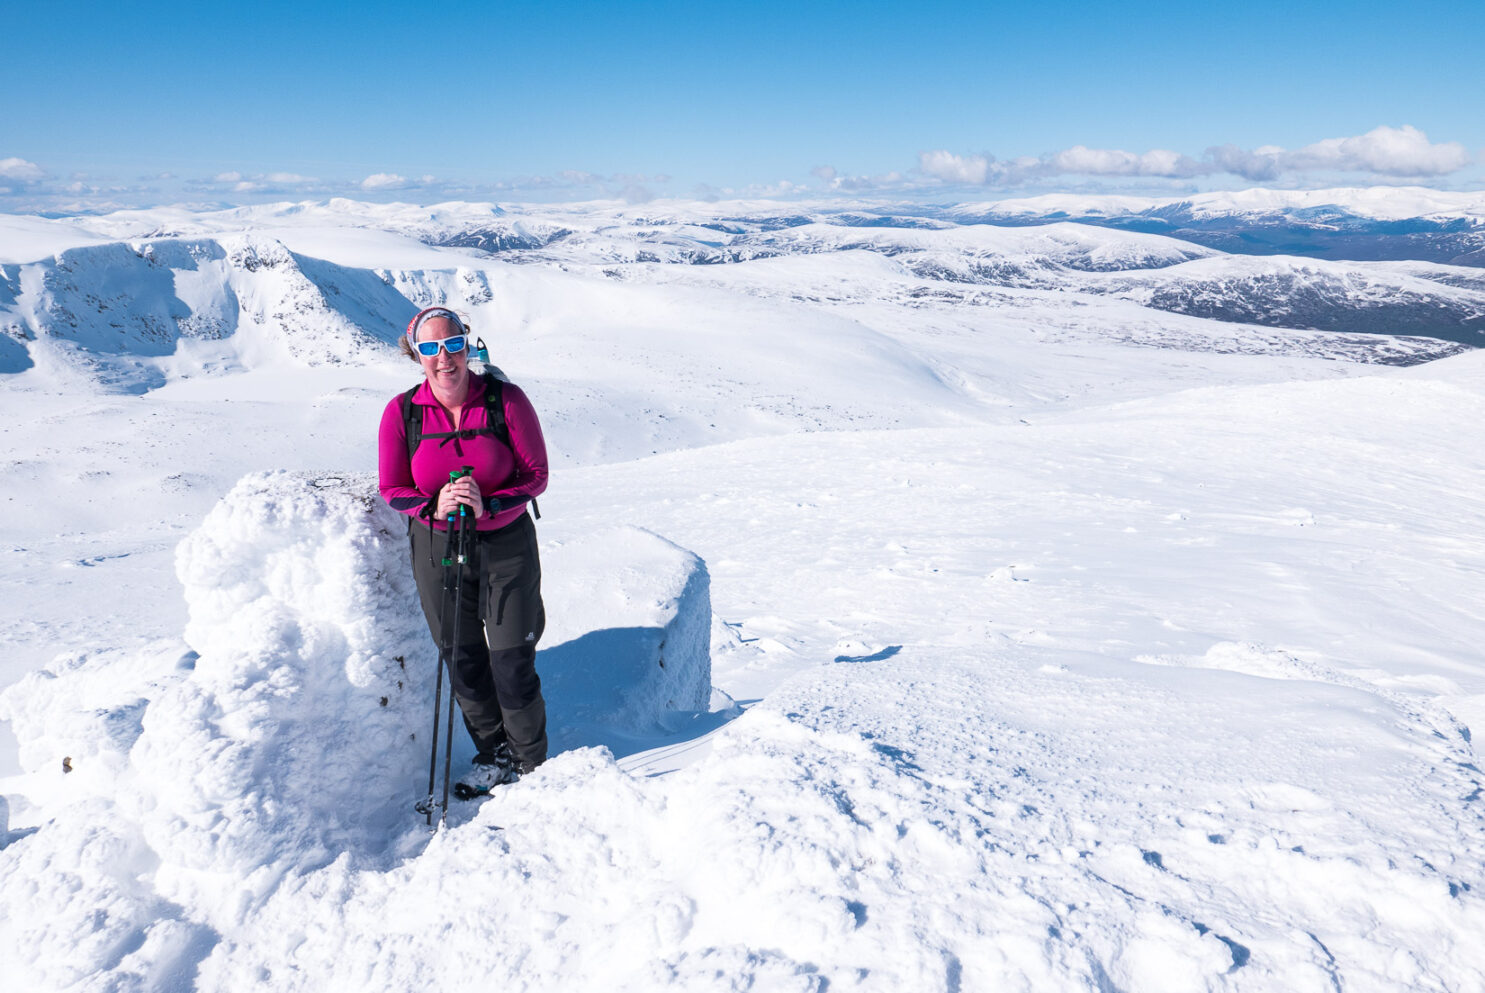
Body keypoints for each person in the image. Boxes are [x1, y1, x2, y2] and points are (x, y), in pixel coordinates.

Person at [378, 306, 550, 794]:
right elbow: (392, 488)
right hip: (437, 546)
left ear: (468, 346)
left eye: (453, 345)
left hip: (506, 543)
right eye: (430, 348)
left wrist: (488, 502)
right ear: (416, 355)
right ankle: (493, 753)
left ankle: (530, 764)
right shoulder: (402, 412)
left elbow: (536, 475)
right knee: (462, 656)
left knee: (512, 656)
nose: (444, 358)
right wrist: (434, 505)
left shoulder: (505, 401)